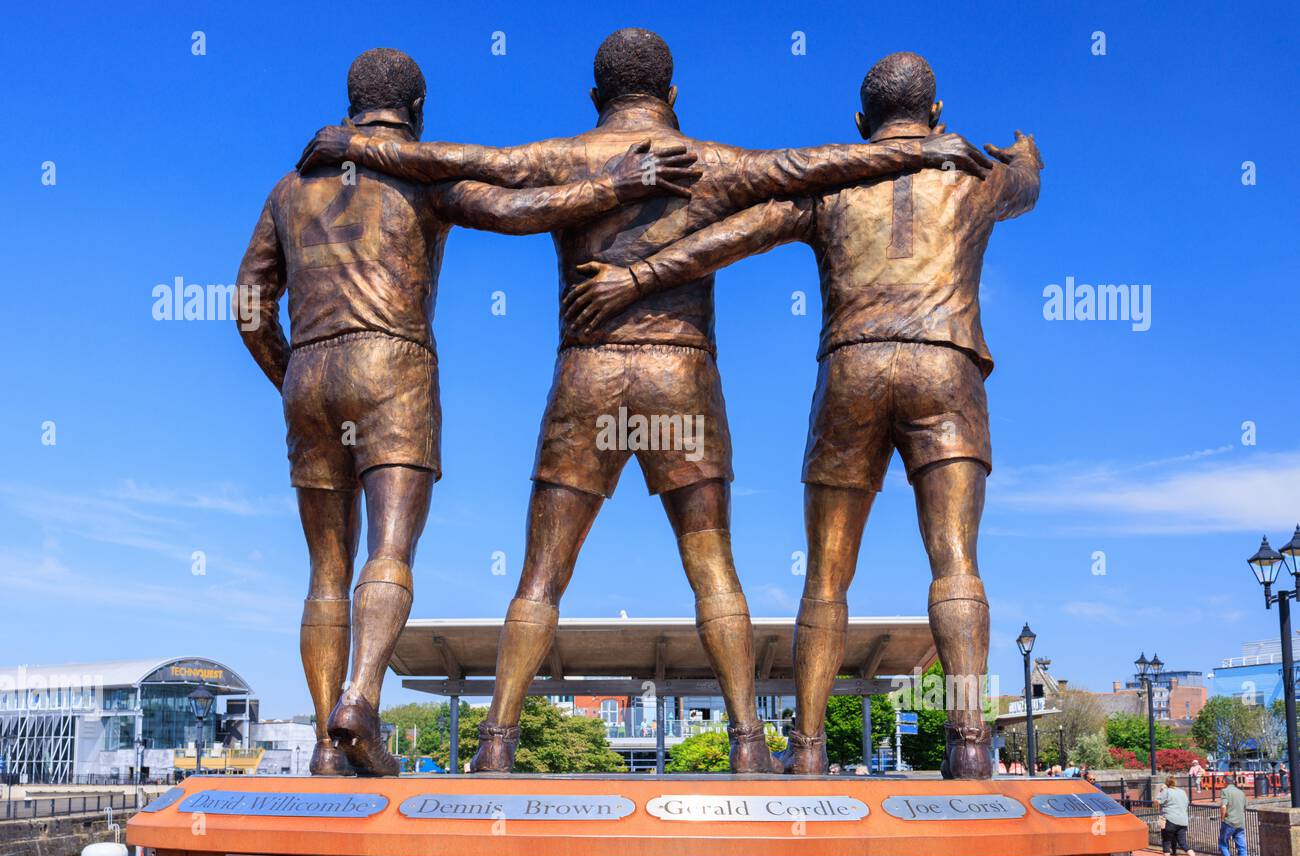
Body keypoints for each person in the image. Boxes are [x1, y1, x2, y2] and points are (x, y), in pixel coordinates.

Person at [297, 29, 992, 774]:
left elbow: (467, 163)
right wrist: (919, 150)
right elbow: (813, 167)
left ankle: (495, 746)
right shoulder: (714, 164)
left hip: (587, 379)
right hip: (681, 375)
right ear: (674, 95)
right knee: (713, 566)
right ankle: (750, 746)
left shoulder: (564, 157)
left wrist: (356, 146)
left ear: (595, 97)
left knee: (540, 577)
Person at [562, 51, 1038, 777]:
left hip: (851, 370)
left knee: (825, 576)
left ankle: (807, 748)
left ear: (858, 122)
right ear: (935, 115)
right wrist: (1026, 156)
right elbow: (1028, 184)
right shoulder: (976, 174)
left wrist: (636, 276)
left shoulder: (834, 184)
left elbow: (733, 237)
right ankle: (970, 740)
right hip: (948, 366)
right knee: (956, 561)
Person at [235, 47, 696, 776]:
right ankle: (359, 695)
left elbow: (249, 302)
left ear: (353, 103)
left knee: (325, 570)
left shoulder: (289, 189)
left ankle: (326, 748)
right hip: (393, 366)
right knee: (388, 549)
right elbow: (520, 210)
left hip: (312, 367)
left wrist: (290, 372)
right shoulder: (422, 179)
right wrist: (609, 183)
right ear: (417, 112)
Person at [1156, 775, 1202, 856]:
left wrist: (1161, 791)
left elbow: (1156, 802)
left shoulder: (1166, 791)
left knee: (1166, 841)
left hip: (1170, 819)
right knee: (1183, 843)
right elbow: (1186, 803)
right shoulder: (1182, 792)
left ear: (1166, 783)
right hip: (1182, 820)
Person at [1218, 773, 1248, 856]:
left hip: (1229, 821)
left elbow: (1223, 806)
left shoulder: (1225, 791)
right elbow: (1245, 807)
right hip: (1240, 823)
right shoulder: (1241, 792)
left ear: (1225, 782)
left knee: (1222, 843)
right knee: (1241, 847)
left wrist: (1222, 818)